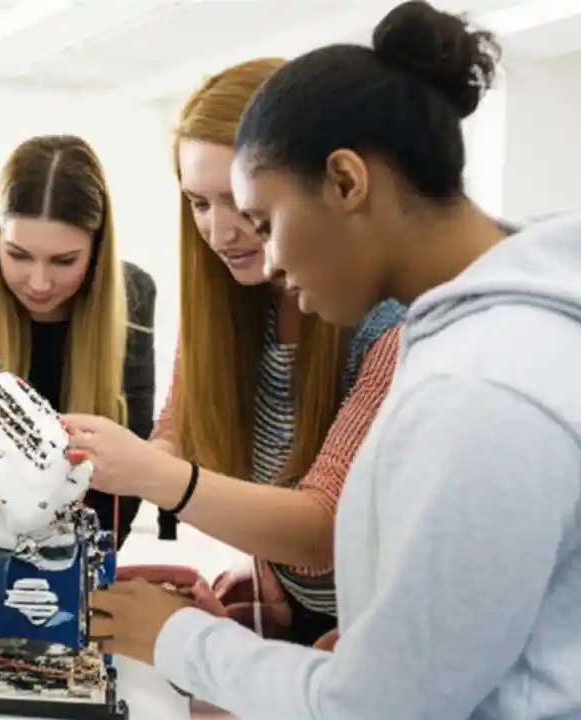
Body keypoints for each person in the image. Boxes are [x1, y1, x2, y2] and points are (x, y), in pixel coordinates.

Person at [87, 2, 581, 717]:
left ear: (347, 183)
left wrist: (178, 640)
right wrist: (363, 645)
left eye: (265, 221)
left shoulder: (479, 389)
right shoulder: (486, 344)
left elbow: (376, 709)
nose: (271, 257)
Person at [61, 59, 404, 646]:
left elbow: (321, 528)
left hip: (386, 635)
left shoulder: (388, 326)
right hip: (304, 620)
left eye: (238, 203)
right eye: (198, 203)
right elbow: (181, 429)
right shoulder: (235, 309)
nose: (219, 233)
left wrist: (150, 472)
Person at [0, 134, 156, 546]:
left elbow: (131, 460)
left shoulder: (133, 297)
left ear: (96, 249)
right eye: (18, 255)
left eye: (64, 261)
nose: (39, 284)